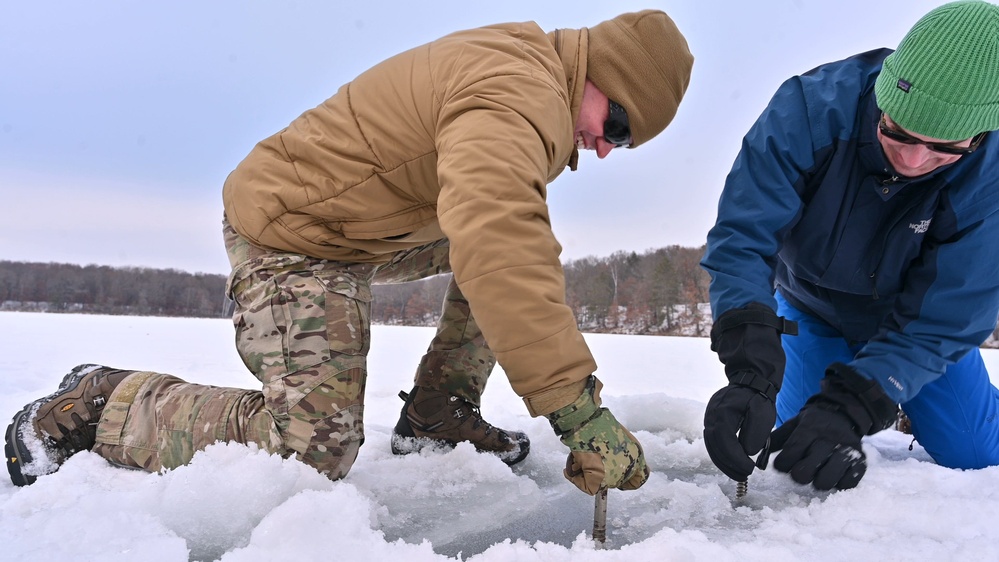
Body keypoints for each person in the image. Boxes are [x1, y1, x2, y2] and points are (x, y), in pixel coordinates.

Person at [5, 10, 694, 496]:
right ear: (601, 75)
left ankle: (437, 413)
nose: (606, 148)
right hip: (290, 234)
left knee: (517, 251)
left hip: (353, 229)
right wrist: (578, 413)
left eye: (625, 144)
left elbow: (507, 241)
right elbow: (496, 243)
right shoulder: (518, 97)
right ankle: (102, 401)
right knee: (313, 449)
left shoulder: (531, 77)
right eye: (620, 125)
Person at [701, 0, 999, 492]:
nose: (913, 157)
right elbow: (742, 240)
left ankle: (914, 403)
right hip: (810, 306)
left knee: (975, 454)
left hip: (912, 321)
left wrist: (858, 401)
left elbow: (952, 312)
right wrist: (749, 358)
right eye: (897, 131)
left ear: (981, 134)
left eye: (943, 148)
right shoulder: (808, 111)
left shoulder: (989, 179)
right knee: (797, 439)